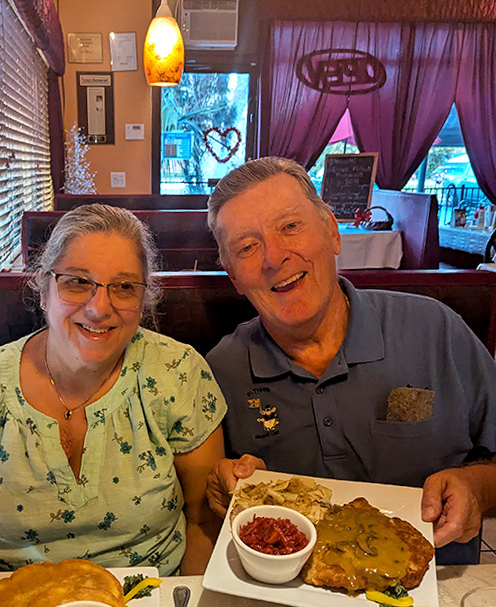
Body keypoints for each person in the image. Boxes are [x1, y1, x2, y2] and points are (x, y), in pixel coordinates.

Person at [204, 156, 496, 558]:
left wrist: (477, 488)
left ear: (332, 232)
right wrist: (223, 484)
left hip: (439, 588)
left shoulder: (435, 330)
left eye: (290, 227)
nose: (274, 257)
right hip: (286, 602)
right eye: (248, 247)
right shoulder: (221, 370)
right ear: (234, 275)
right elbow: (217, 497)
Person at [0, 204, 226, 581]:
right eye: (77, 282)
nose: (99, 308)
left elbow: (203, 521)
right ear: (44, 290)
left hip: (154, 604)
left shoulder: (179, 373)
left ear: (143, 301)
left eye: (124, 287)